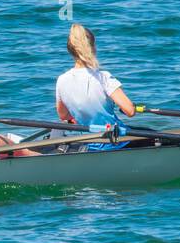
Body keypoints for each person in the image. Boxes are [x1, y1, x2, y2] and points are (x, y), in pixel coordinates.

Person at [55, 23, 137, 151]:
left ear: (70, 50)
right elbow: (130, 111)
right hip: (116, 142)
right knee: (159, 137)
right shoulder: (103, 77)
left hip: (88, 143)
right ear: (93, 48)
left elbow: (63, 116)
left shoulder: (61, 80)